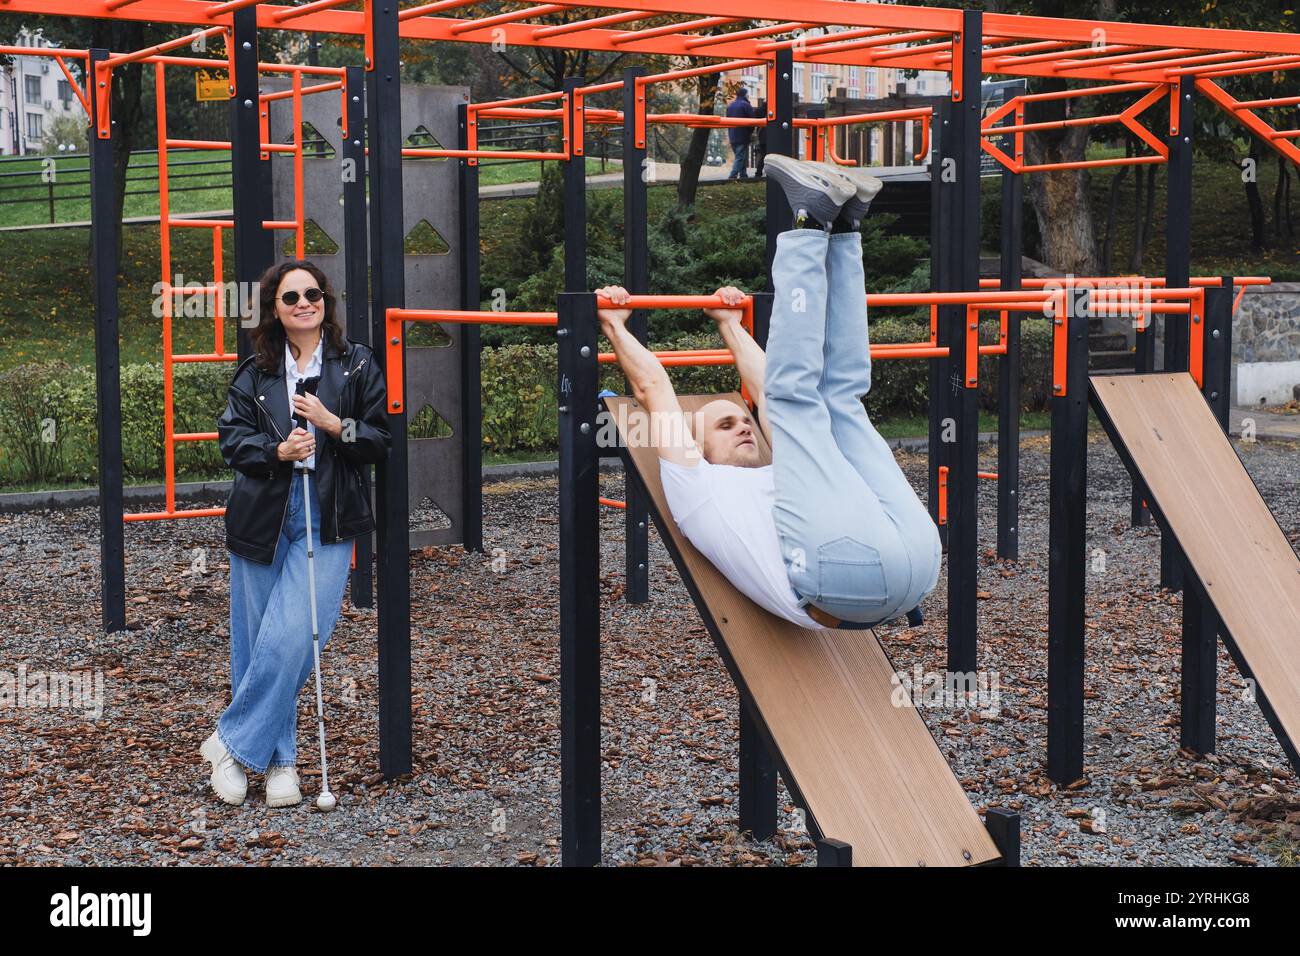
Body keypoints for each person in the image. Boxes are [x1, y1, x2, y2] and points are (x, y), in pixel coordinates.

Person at [597, 155, 937, 630]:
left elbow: (763, 387)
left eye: (741, 419)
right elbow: (654, 388)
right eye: (724, 423)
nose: (742, 426)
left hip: (920, 560)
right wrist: (613, 327)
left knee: (841, 399)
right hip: (842, 582)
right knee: (797, 400)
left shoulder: (787, 472)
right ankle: (806, 222)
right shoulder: (695, 484)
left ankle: (843, 228)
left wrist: (731, 327)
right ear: (698, 447)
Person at [203, 259, 391, 807]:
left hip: (328, 515)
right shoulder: (253, 372)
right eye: (291, 297)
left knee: (298, 633)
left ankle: (232, 744)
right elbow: (231, 442)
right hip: (262, 517)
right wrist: (276, 451)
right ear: (276, 310)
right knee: (258, 638)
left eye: (314, 293)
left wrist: (335, 425)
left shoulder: (356, 364)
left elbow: (379, 439)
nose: (305, 302)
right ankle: (279, 764)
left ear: (325, 301)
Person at [725, 86, 754, 180]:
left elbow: (727, 120)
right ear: (745, 95)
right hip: (743, 134)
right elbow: (752, 121)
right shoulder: (746, 105)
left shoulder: (730, 106)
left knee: (741, 155)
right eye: (747, 94)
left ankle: (743, 175)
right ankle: (732, 175)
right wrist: (750, 132)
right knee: (740, 156)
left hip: (732, 134)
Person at [752, 98, 768, 178]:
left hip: (761, 135)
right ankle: (770, 173)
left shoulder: (758, 110)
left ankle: (758, 173)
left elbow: (754, 120)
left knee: (762, 155)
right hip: (771, 135)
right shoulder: (773, 109)